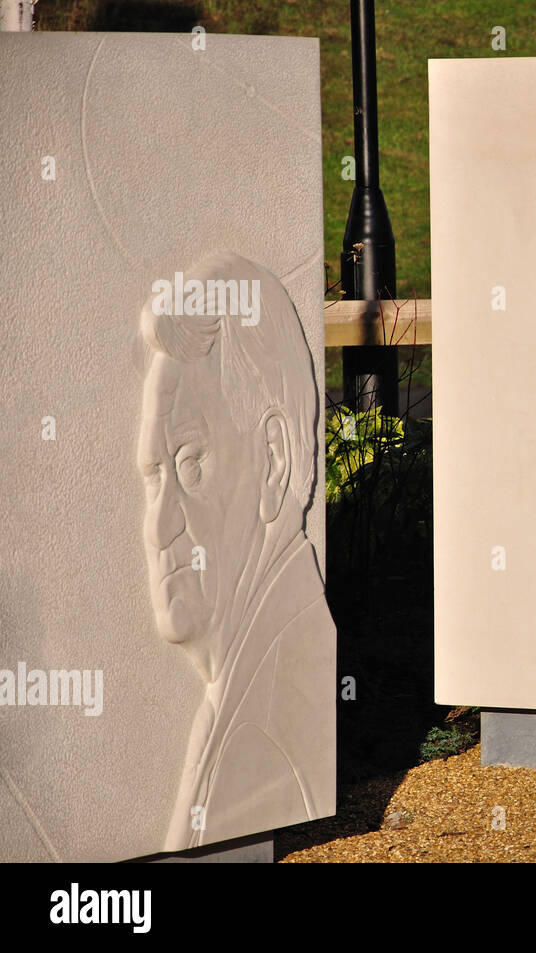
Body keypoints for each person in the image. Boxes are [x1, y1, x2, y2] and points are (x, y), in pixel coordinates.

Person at [137, 251, 334, 851]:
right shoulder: (243, 688)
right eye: (153, 476)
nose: (157, 526)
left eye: (192, 464)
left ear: (274, 463)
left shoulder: (263, 729)